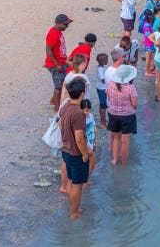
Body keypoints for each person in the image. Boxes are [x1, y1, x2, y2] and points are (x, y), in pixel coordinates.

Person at [58, 78, 89, 219]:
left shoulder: (65, 106)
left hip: (65, 150)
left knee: (70, 181)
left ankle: (73, 208)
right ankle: (74, 213)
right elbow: (79, 137)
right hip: (76, 153)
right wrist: (84, 153)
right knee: (77, 184)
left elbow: (60, 125)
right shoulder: (78, 113)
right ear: (82, 94)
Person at [106, 63, 138, 166]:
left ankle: (114, 160)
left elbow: (109, 99)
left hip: (113, 114)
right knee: (125, 141)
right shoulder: (130, 88)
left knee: (116, 137)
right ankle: (124, 163)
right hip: (127, 116)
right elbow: (135, 105)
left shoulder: (110, 84)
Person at [44, 14, 72, 112]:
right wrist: (56, 64)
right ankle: (56, 108)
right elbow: (48, 49)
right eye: (65, 24)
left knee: (60, 83)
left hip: (60, 62)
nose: (67, 27)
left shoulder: (58, 32)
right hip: (56, 65)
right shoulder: (53, 33)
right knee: (58, 87)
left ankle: (53, 101)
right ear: (59, 23)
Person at [80, 99, 97, 184]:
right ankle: (85, 180)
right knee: (90, 161)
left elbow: (93, 126)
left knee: (90, 161)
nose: (85, 112)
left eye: (87, 110)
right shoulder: (80, 119)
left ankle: (85, 179)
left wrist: (95, 139)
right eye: (84, 110)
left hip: (91, 139)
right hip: (86, 142)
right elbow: (81, 135)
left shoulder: (91, 116)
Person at [94, 52, 109, 130]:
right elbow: (103, 80)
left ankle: (102, 120)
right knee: (103, 105)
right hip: (102, 88)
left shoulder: (101, 67)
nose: (107, 61)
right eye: (106, 59)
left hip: (101, 88)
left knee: (102, 104)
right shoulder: (100, 69)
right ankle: (103, 122)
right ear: (103, 61)